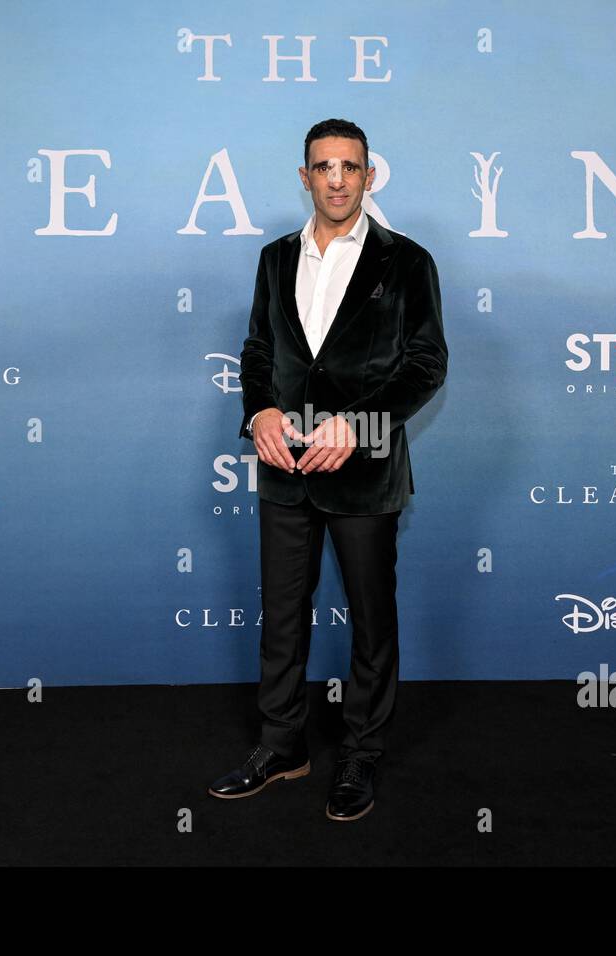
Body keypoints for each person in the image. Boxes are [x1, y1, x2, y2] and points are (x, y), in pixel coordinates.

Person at [207, 118, 448, 822]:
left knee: (372, 622)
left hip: (364, 469)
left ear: (369, 176)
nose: (337, 178)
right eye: (324, 166)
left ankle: (361, 755)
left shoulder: (406, 262)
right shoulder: (275, 258)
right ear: (305, 176)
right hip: (284, 467)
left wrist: (357, 423)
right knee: (282, 620)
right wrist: (259, 413)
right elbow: (258, 351)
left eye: (350, 166)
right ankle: (282, 747)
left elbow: (426, 365)